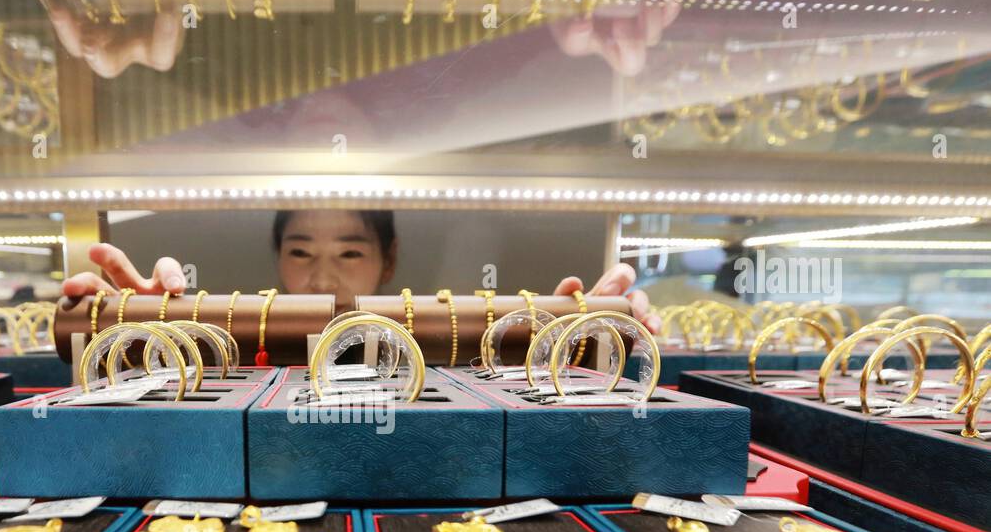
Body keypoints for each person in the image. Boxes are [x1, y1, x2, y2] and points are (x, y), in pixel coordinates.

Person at [62, 208, 661, 332]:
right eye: (300, 253)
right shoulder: (231, 336)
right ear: (277, 258)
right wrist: (138, 326)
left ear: (388, 258)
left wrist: (569, 336)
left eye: (350, 253)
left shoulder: (447, 339)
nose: (324, 278)